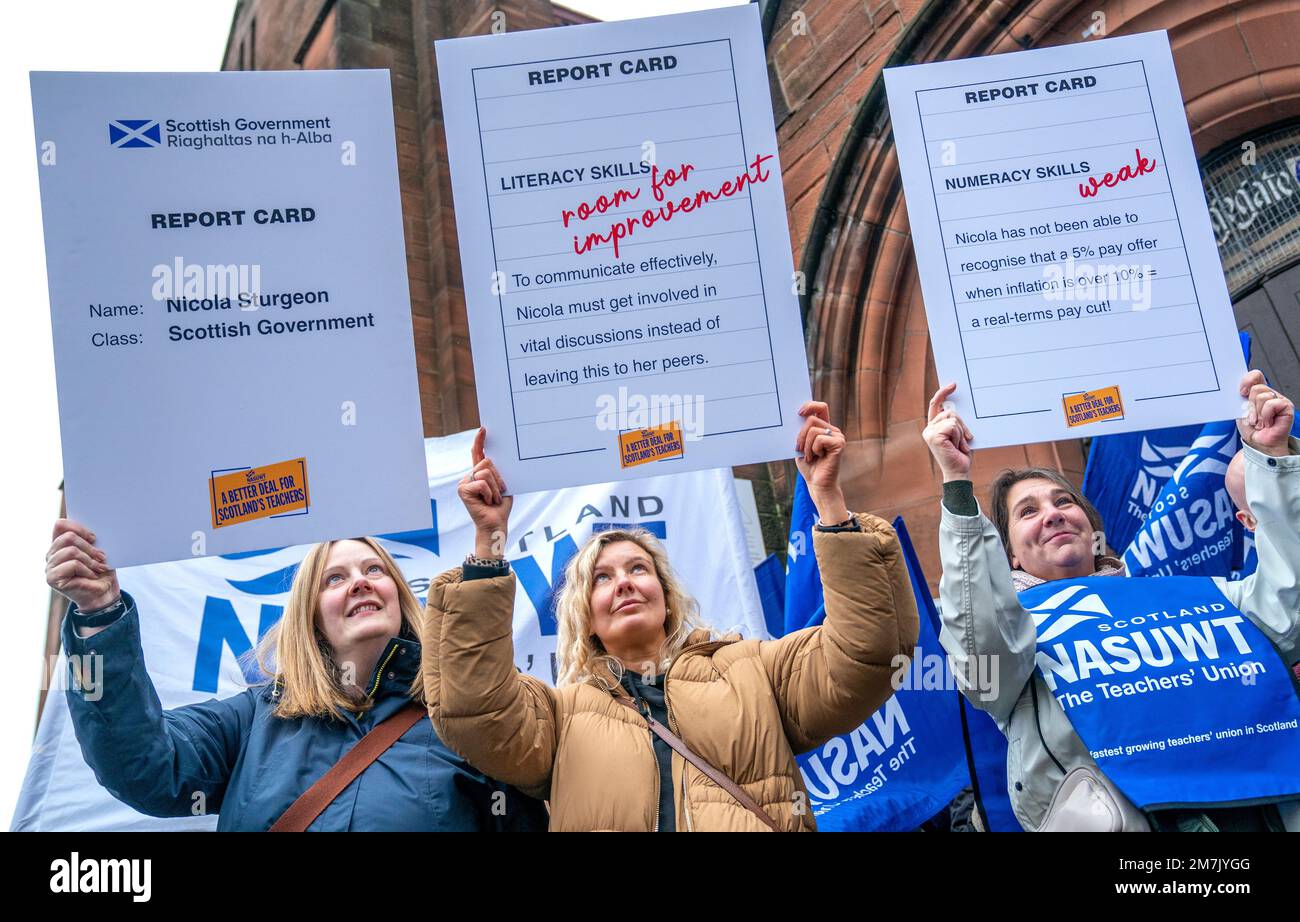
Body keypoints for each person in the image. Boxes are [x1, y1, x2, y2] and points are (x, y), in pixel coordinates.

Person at [422, 406, 920, 831]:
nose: (622, 582)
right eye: (601, 577)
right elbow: (473, 707)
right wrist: (488, 541)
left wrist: (828, 500)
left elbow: (869, 651)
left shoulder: (753, 670)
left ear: (665, 595)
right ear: (586, 618)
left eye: (638, 568)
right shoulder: (557, 717)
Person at [924, 371, 1300, 831]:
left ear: (1091, 526)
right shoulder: (1016, 638)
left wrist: (1271, 457)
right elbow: (979, 648)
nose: (1053, 513)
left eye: (1063, 500)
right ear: (1008, 555)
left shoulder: (1192, 593)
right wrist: (957, 484)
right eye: (1028, 512)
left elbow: (1290, 607)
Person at [46, 524, 546, 831]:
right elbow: (141, 768)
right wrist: (99, 616)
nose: (360, 582)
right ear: (311, 617)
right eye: (336, 578)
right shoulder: (254, 718)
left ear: (398, 595)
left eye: (375, 570)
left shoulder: (460, 724)